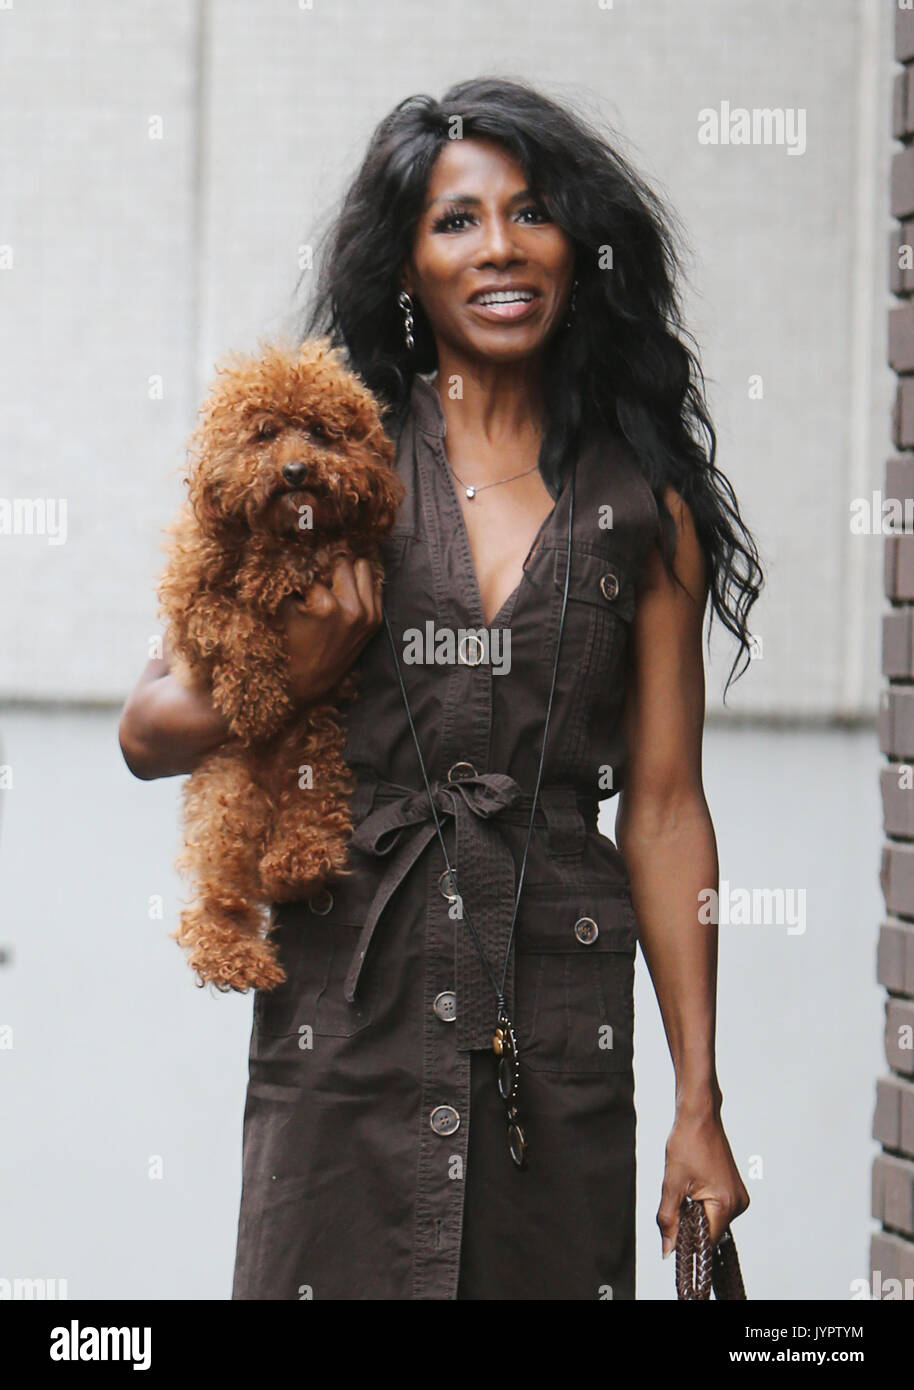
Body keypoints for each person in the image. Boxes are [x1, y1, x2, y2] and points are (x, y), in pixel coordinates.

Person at [119, 76, 761, 1300]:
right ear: (406, 268)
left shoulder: (643, 504)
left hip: (554, 1034)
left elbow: (667, 809)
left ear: (579, 246)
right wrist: (288, 678)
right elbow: (147, 729)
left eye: (529, 214)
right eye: (454, 221)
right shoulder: (322, 462)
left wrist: (698, 1101)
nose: (498, 247)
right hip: (346, 1020)